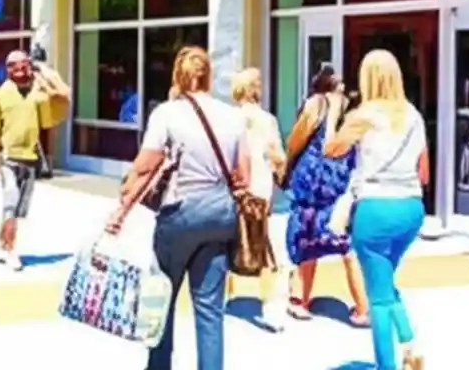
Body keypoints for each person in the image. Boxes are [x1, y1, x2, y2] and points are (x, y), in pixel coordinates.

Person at [111, 46, 243, 370]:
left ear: (177, 76)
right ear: (208, 75)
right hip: (221, 213)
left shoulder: (167, 113)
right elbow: (243, 176)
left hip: (181, 212)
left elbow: (145, 168)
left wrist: (121, 209)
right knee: (210, 310)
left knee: (162, 299)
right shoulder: (232, 116)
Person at [323, 49, 429, 370]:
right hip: (411, 209)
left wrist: (332, 114)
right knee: (384, 281)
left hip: (375, 210)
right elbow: (423, 170)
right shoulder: (414, 115)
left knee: (378, 300)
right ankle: (411, 346)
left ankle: (387, 365)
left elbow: (331, 149)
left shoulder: (364, 115)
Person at [282, 64, 368, 324]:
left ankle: (300, 300)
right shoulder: (352, 111)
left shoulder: (317, 104)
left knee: (306, 234)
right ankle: (363, 306)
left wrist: (287, 166)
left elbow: (295, 141)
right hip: (339, 183)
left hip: (312, 182)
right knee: (345, 242)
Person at [0, 49, 70, 271]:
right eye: (17, 65)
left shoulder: (39, 91)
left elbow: (65, 94)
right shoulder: (0, 94)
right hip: (8, 158)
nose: (22, 68)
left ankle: (2, 243)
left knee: (17, 211)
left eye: (25, 64)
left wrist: (43, 71)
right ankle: (12, 251)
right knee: (10, 204)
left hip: (31, 157)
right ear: (8, 69)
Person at [231, 67, 291, 332]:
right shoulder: (266, 120)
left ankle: (229, 297)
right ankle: (269, 309)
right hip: (260, 189)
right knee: (263, 247)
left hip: (234, 189)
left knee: (230, 242)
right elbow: (277, 156)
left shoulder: (228, 118)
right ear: (254, 89)